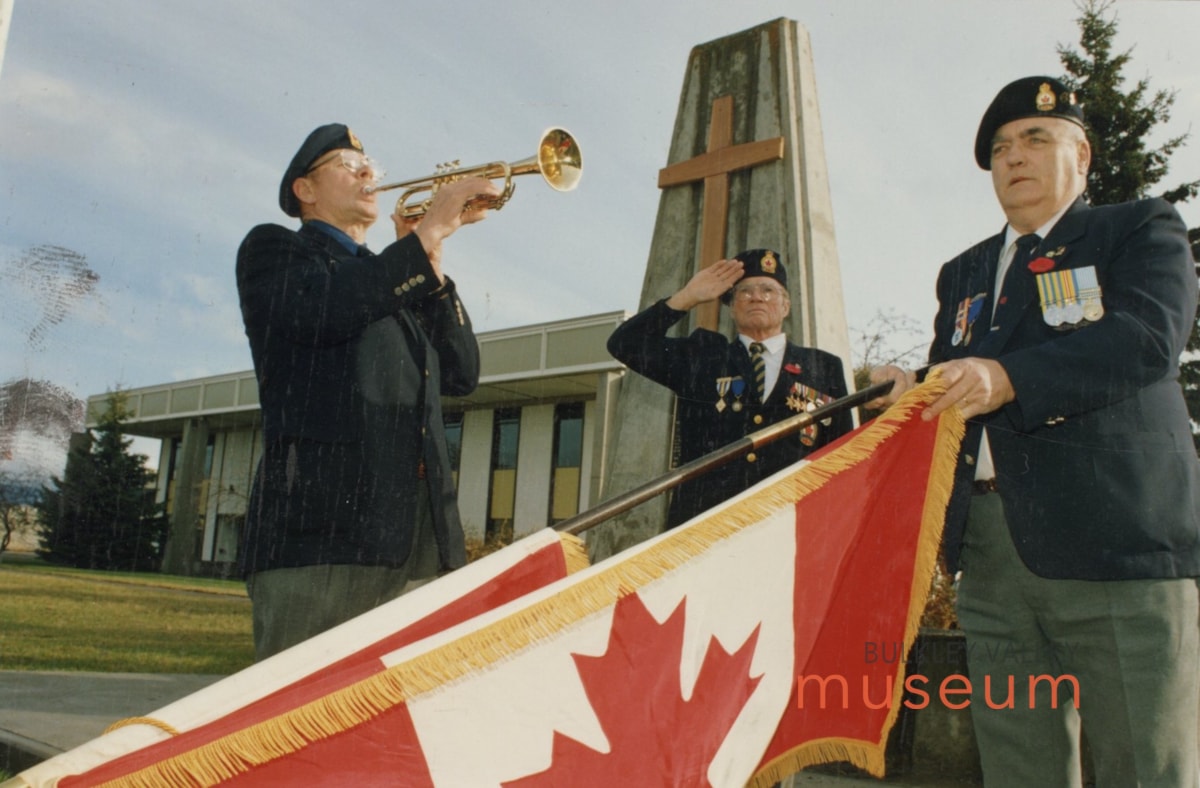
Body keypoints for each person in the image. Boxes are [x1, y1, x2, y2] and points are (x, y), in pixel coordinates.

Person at [869, 77, 1200, 786]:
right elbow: (954, 378)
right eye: (1000, 147)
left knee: (1141, 766)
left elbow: (1146, 339)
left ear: (1081, 154)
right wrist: (910, 393)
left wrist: (1009, 379)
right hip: (992, 553)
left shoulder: (1135, 229)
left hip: (1115, 541)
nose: (1014, 156)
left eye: (1036, 138)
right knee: (1020, 768)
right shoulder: (961, 273)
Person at [235, 123, 500, 660]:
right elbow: (322, 312)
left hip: (418, 541)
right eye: (343, 162)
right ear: (304, 191)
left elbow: (460, 374)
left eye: (369, 164)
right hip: (323, 539)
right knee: (299, 723)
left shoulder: (389, 277)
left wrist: (432, 265)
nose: (366, 171)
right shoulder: (276, 250)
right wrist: (421, 241)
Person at [608, 249, 853, 528]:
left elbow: (842, 454)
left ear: (786, 306)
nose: (757, 296)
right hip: (707, 528)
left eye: (769, 290)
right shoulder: (703, 355)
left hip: (790, 528)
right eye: (745, 291)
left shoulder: (823, 367)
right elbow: (623, 344)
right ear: (732, 307)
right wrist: (686, 297)